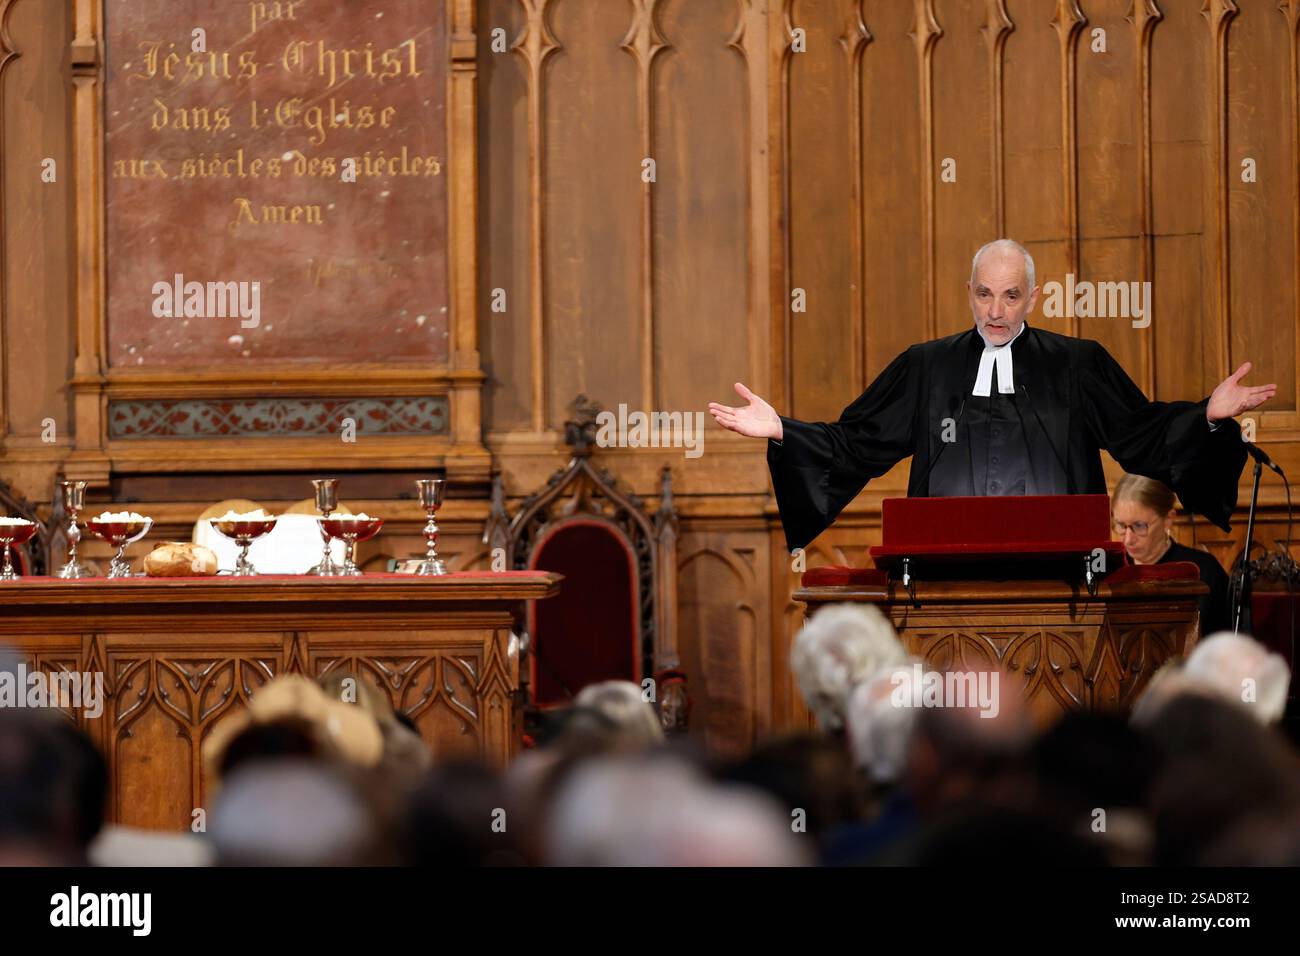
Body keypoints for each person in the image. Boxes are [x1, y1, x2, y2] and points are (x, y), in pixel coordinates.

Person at [709, 238, 1275, 552]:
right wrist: (783, 428)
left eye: (1010, 296)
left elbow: (1140, 433)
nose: (996, 311)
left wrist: (1207, 414)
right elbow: (858, 442)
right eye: (984, 295)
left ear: (1033, 297)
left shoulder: (1078, 364)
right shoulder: (926, 366)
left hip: (1064, 570)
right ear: (969, 293)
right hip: (946, 574)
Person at [1111, 472, 1231, 634]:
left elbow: (1222, 642)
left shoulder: (1203, 570)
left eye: (1139, 526)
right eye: (1120, 525)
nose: (1128, 539)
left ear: (1168, 519)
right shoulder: (1111, 570)